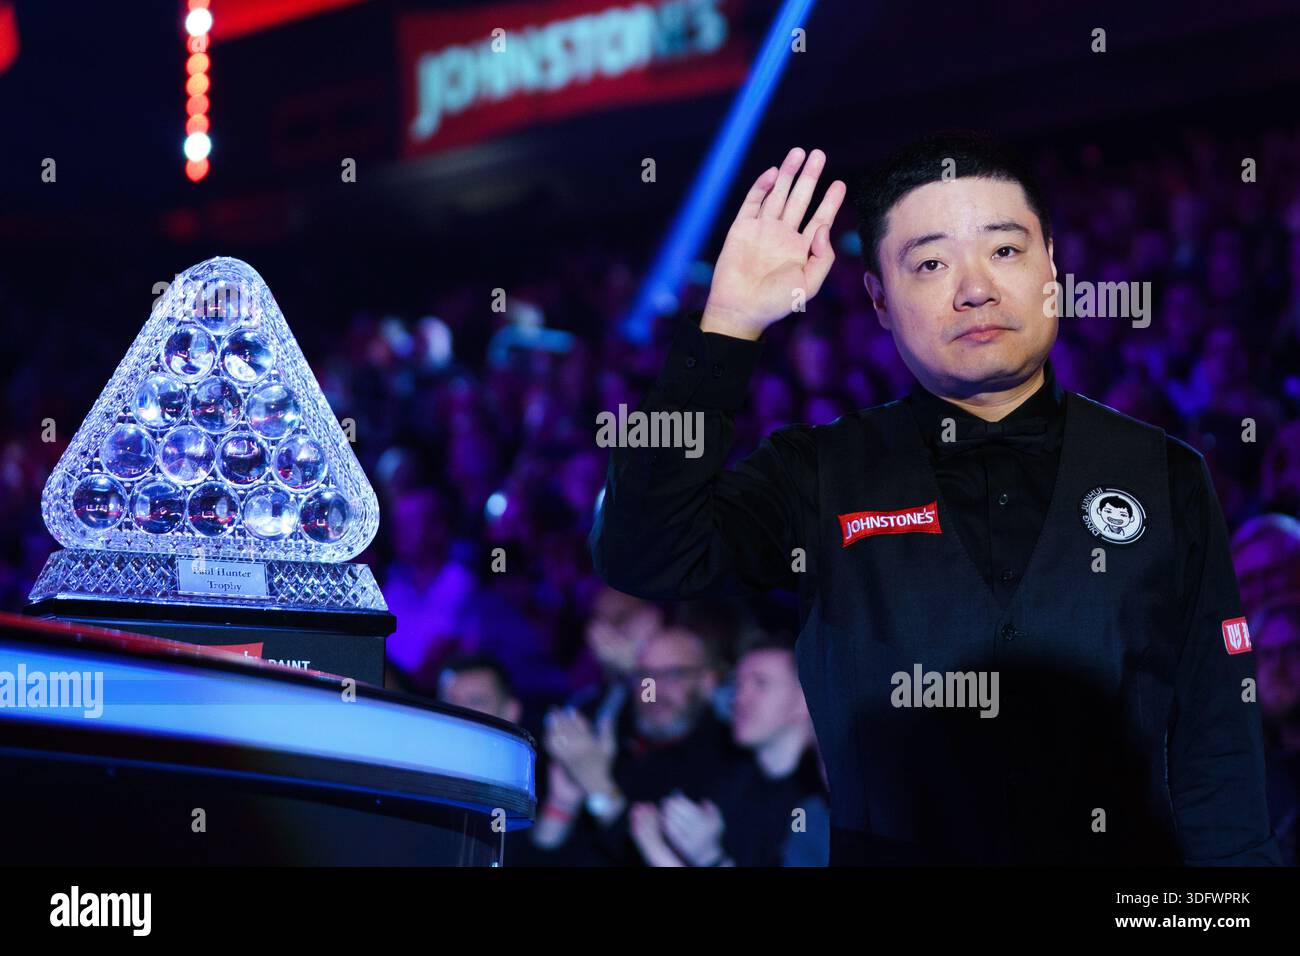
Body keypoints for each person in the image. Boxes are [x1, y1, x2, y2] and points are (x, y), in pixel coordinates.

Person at [590, 131, 1280, 865]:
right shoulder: (817, 471)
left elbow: (1217, 744)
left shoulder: (1163, 472)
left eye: (1006, 251)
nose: (975, 286)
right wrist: (728, 325)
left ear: (1053, 265)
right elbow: (645, 552)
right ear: (880, 301)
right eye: (930, 263)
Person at [530, 625, 741, 865]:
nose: (655, 690)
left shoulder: (730, 758)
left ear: (707, 682)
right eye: (645, 675)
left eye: (673, 675)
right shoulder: (610, 730)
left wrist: (599, 786)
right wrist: (562, 803)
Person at [628, 630, 830, 867]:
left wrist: (698, 855)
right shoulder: (729, 780)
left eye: (760, 683)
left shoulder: (822, 798)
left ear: (804, 699)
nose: (740, 697)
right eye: (739, 683)